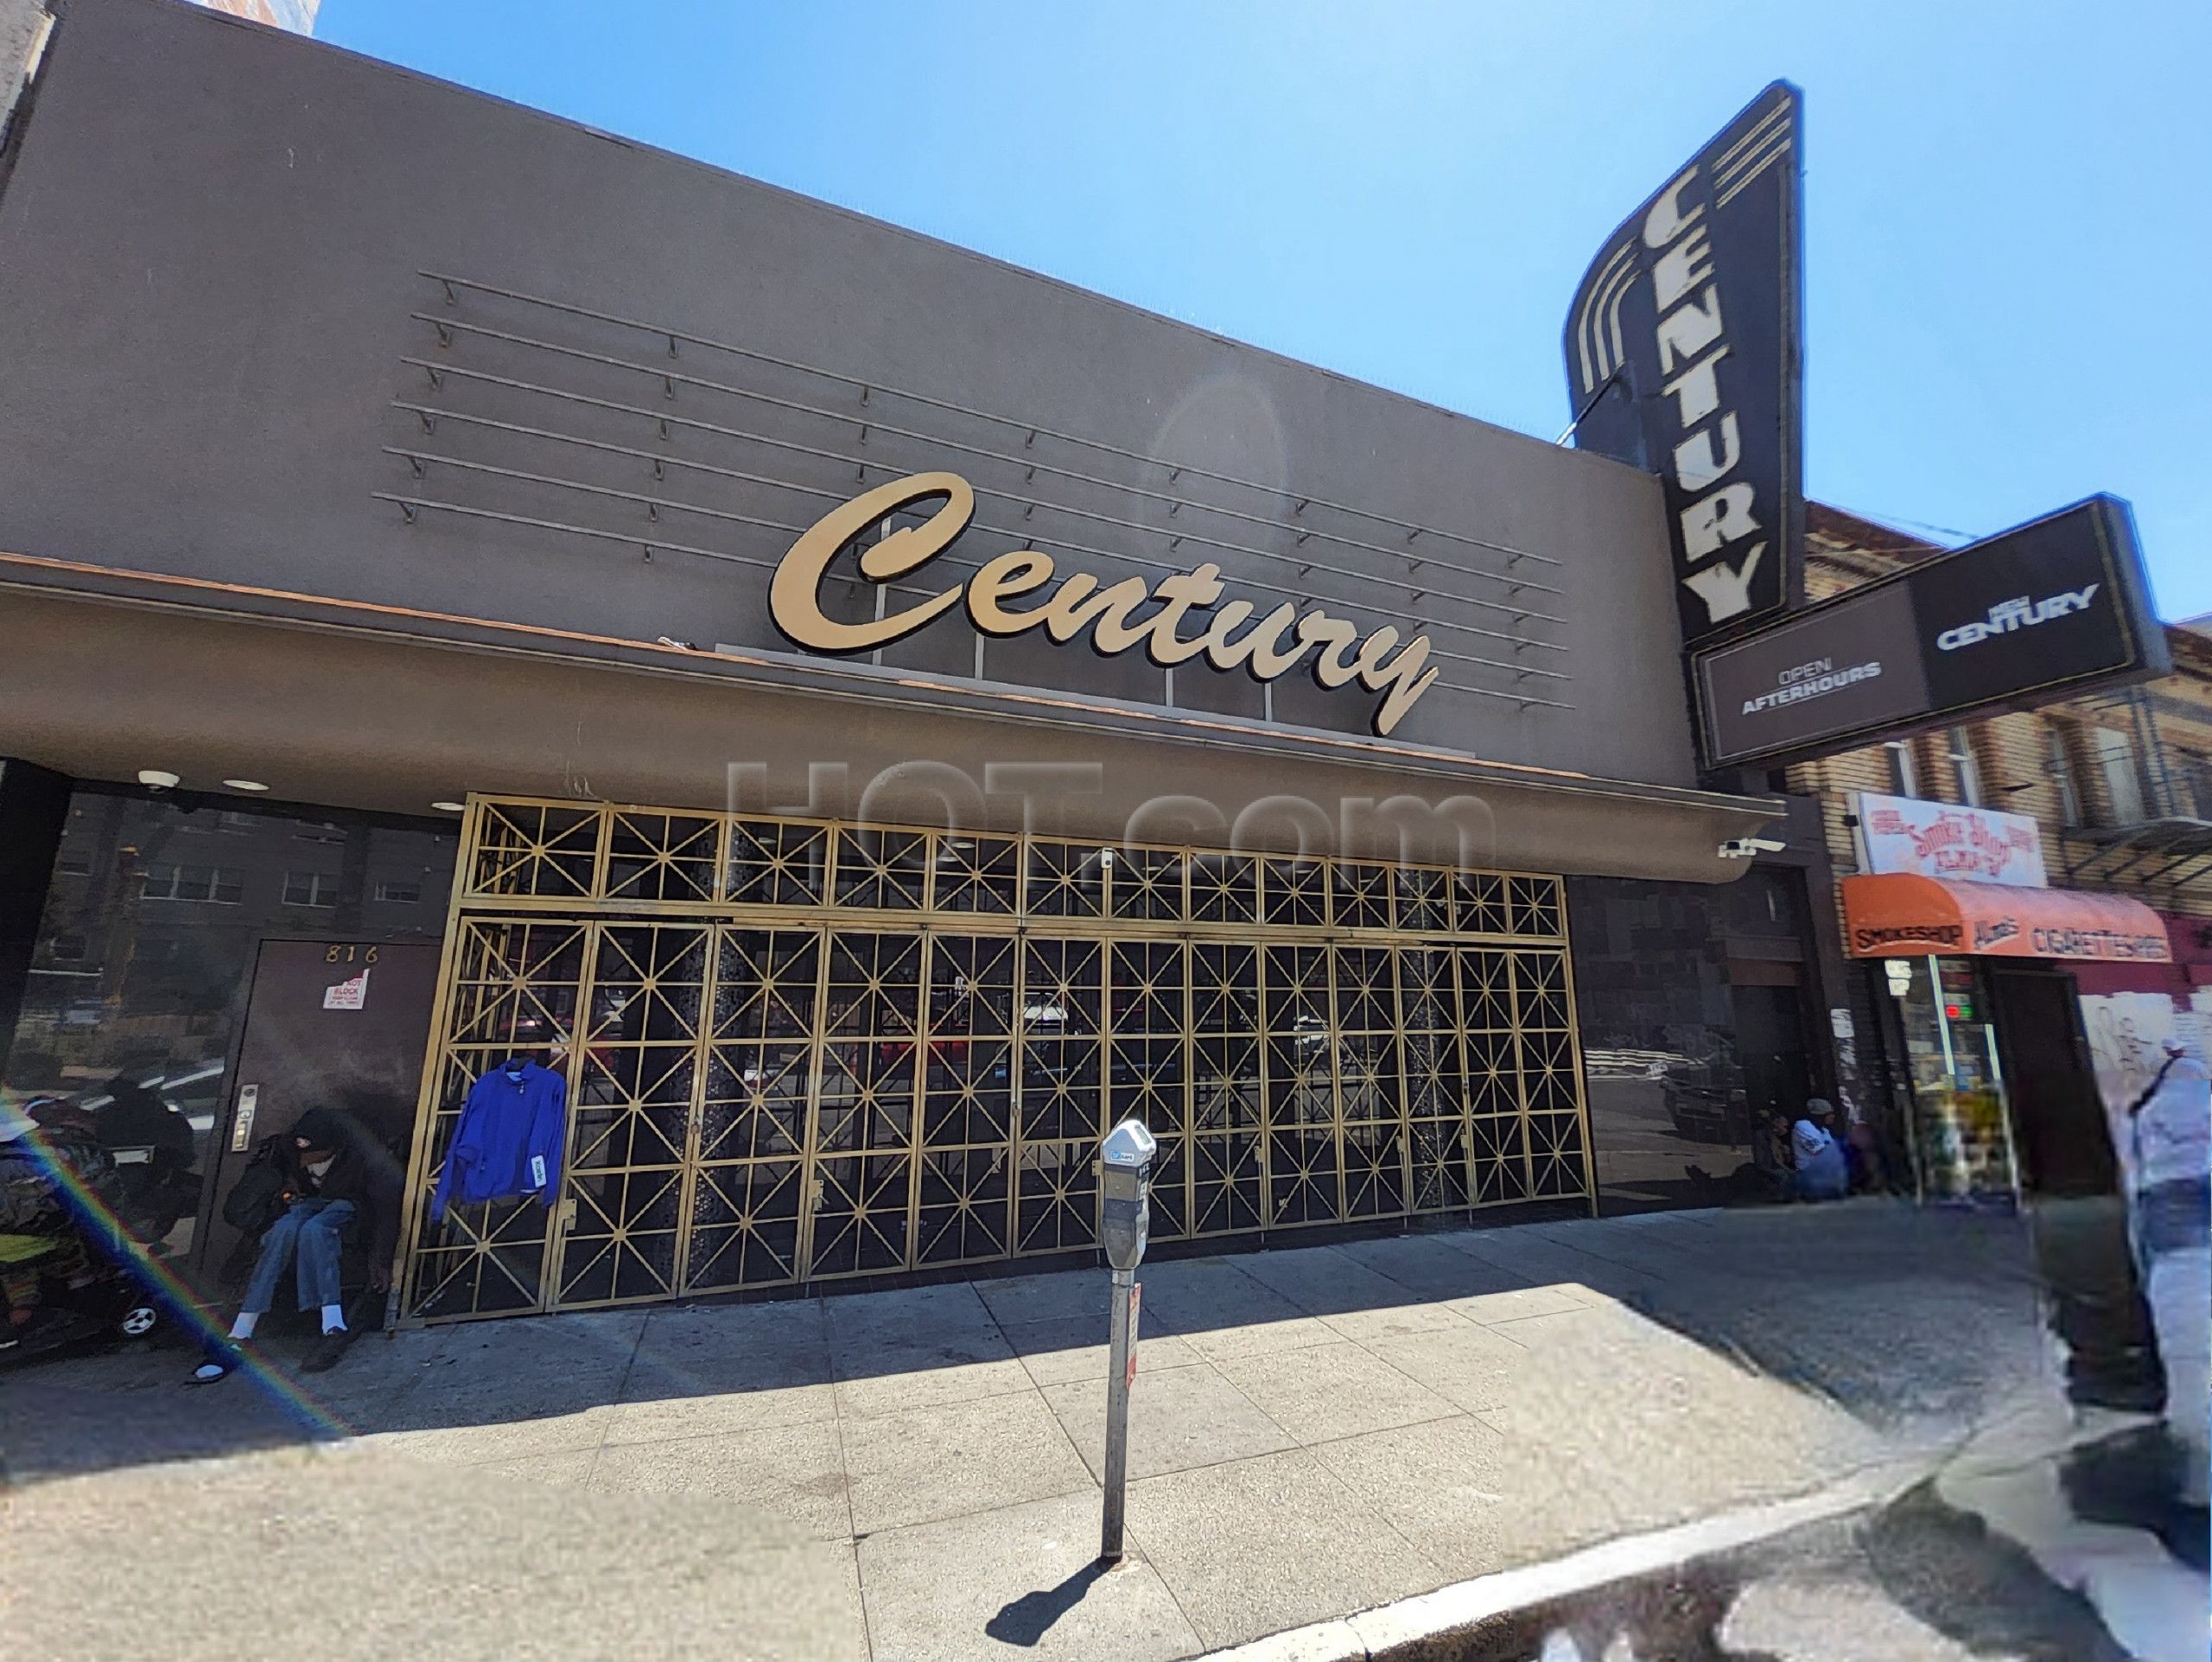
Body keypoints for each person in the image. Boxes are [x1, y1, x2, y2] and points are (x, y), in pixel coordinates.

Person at [194, 1107, 399, 1381]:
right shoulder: (286, 1149)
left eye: (313, 1153)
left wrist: (381, 1260)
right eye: (301, 1150)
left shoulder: (363, 1159)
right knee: (281, 1231)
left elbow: (385, 1210)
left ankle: (332, 1320)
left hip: (347, 1208)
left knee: (316, 1231)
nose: (305, 1158)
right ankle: (243, 1325)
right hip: (303, 1206)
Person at [2126, 1036, 2210, 1508]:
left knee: (2189, 1363)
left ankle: (2201, 1481)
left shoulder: (2145, 1118)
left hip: (2171, 1236)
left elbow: (2136, 1201)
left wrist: (2144, 1275)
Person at [0, 1097, 122, 1349]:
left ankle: (17, 1325)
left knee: (19, 1284)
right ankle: (90, 1305)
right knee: (78, 1256)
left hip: (5, 1248)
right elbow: (105, 1193)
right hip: (50, 1240)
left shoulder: (13, 1153)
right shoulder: (68, 1152)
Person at [1788, 1098, 1851, 1202]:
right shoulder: (1803, 1126)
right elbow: (1822, 1151)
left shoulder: (1824, 1131)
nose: (1833, 1116)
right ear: (1820, 1115)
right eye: (1829, 1113)